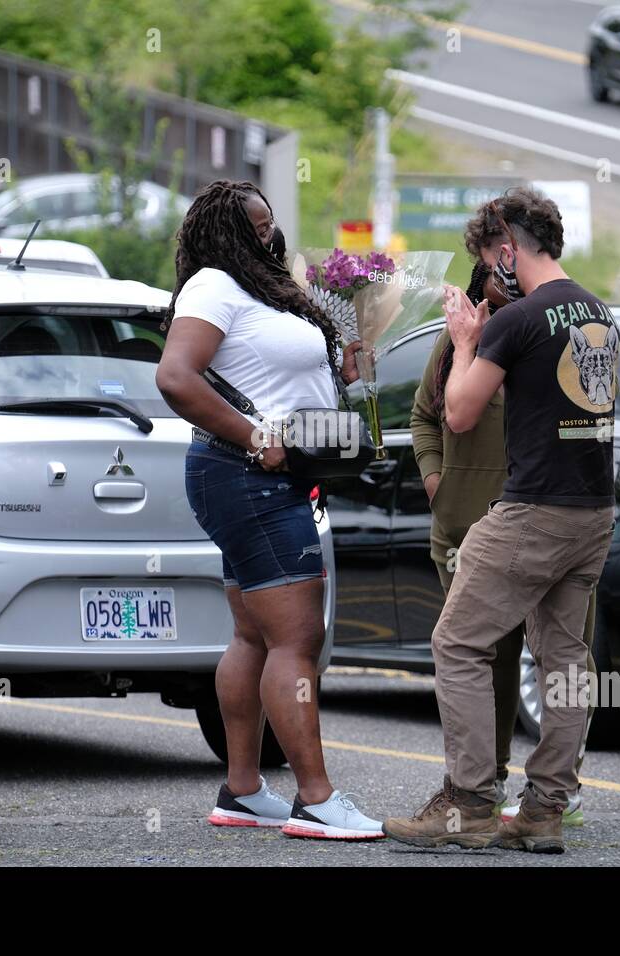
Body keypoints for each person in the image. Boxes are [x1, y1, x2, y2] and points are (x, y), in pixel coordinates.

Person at [384, 187, 619, 853]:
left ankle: (468, 802)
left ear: (507, 250)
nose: (490, 268)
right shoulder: (597, 312)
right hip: (592, 511)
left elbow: (456, 412)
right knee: (565, 659)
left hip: (531, 510)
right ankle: (546, 806)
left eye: (490, 255)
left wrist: (464, 340)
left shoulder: (518, 320)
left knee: (457, 644)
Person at [156, 179, 384, 840]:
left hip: (272, 477)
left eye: (270, 224)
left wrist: (344, 368)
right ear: (224, 231)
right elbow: (175, 376)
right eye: (256, 227)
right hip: (246, 474)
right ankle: (314, 798)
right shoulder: (213, 285)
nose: (269, 235)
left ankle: (244, 789)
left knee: (256, 635)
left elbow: (268, 374)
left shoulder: (261, 290)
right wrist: (256, 436)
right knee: (298, 639)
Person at [409, 258, 594, 827]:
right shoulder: (461, 342)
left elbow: (572, 419)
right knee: (501, 658)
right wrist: (439, 484)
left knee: (517, 654)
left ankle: (486, 799)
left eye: (512, 272)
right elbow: (430, 417)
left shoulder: (538, 334)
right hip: (472, 522)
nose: (505, 287)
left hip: (528, 517)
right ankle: (509, 794)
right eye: (493, 277)